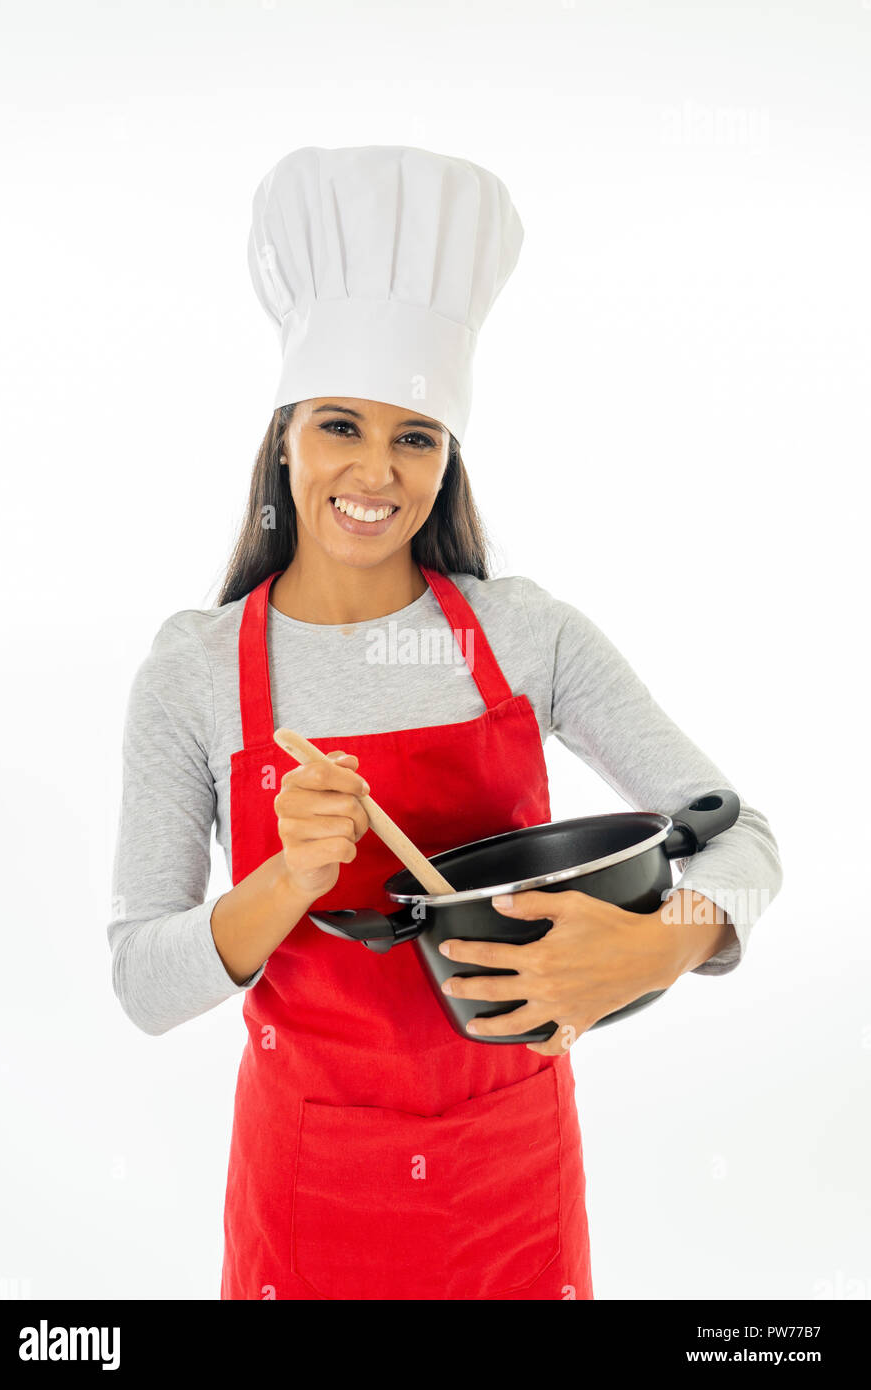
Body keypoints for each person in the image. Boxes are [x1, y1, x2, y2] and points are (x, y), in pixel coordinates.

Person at [108, 146, 783, 1301]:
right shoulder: (196, 668)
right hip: (307, 1195)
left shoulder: (526, 635)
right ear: (284, 438)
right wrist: (282, 882)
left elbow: (740, 837)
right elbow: (140, 982)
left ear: (445, 458)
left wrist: (660, 945)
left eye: (412, 435)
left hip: (511, 1181)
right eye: (338, 426)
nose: (373, 469)